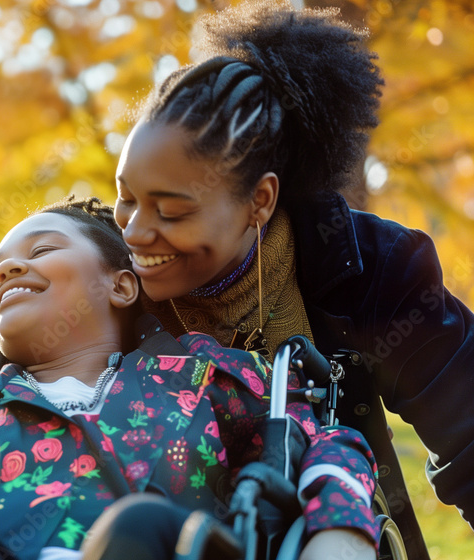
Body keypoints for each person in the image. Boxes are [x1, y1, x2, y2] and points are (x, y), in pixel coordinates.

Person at [0, 197, 378, 560]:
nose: (8, 269)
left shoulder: (197, 378)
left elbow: (322, 442)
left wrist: (341, 534)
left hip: (151, 546)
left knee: (140, 526)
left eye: (42, 249)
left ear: (122, 285)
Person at [112, 0, 474, 545]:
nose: (135, 233)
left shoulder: (370, 269)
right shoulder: (108, 277)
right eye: (126, 199)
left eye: (172, 212)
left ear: (260, 200)